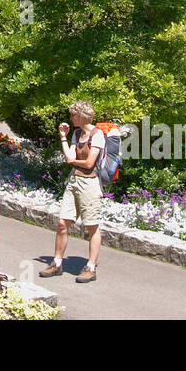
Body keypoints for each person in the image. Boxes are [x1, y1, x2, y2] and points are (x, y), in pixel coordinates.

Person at [41, 101, 104, 284]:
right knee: (62, 223)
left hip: (90, 183)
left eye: (73, 115)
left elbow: (90, 163)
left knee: (92, 226)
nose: (71, 118)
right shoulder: (77, 134)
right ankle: (57, 263)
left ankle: (91, 268)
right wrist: (63, 137)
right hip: (74, 181)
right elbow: (70, 158)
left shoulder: (97, 135)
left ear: (82, 116)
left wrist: (75, 161)